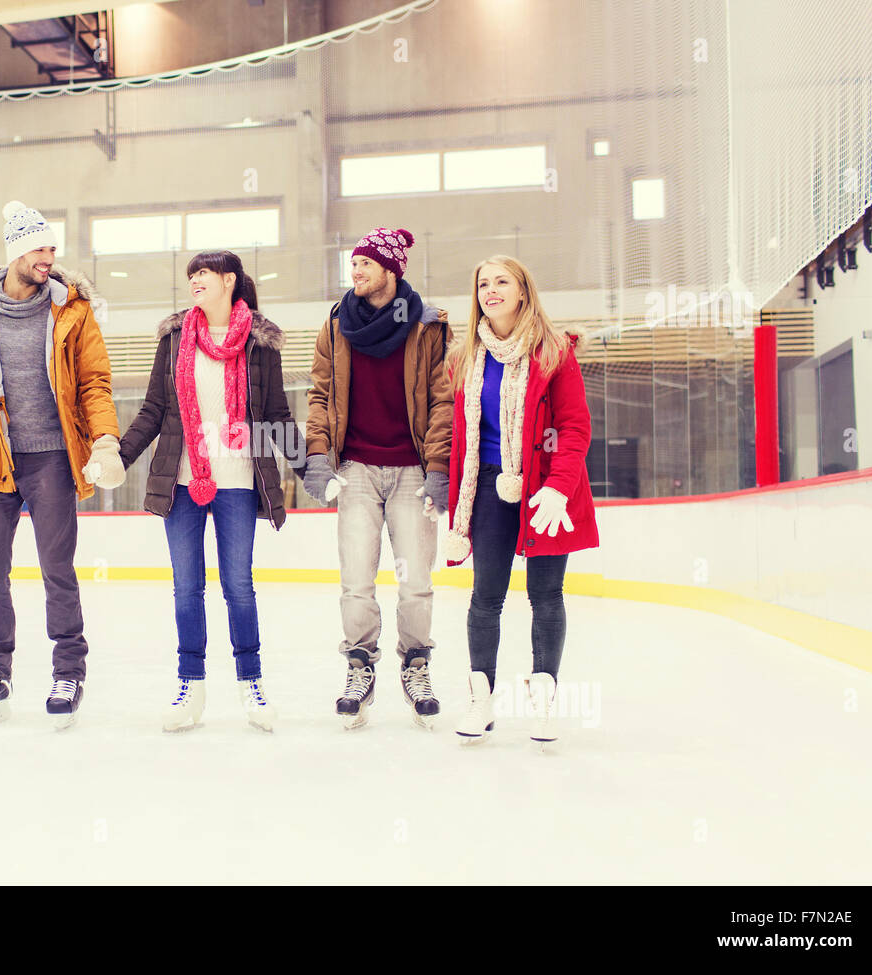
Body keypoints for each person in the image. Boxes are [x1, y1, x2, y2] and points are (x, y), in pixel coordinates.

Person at [0, 200, 125, 729]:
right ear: (15, 252)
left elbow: (93, 383)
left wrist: (105, 441)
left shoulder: (72, 309)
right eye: (40, 248)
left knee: (57, 570)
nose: (49, 257)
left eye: (52, 249)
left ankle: (69, 671)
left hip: (54, 460)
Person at [118, 250, 306, 733]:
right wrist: (119, 456)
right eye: (191, 274)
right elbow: (153, 411)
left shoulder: (260, 344)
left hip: (239, 482)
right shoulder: (175, 339)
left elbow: (278, 417)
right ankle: (190, 684)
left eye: (204, 273)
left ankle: (252, 682)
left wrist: (314, 469)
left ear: (229, 280)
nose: (195, 280)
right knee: (187, 588)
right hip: (182, 480)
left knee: (238, 586)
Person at [443, 255, 599, 745]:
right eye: (482, 283)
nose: (490, 290)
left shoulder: (553, 351)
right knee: (485, 598)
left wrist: (557, 487)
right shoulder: (468, 356)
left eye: (501, 281)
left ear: (523, 290)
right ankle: (481, 700)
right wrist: (447, 497)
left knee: (546, 596)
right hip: (489, 487)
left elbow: (574, 427)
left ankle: (544, 702)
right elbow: (461, 438)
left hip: (545, 487)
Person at [302, 228, 454, 730]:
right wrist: (319, 458)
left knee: (415, 583)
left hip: (412, 470)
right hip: (357, 471)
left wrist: (438, 471)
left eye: (367, 264)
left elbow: (442, 402)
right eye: (354, 264)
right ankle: (359, 666)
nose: (357, 272)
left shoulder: (427, 326)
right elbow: (320, 394)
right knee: (357, 581)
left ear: (392, 270)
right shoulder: (336, 324)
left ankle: (415, 664)